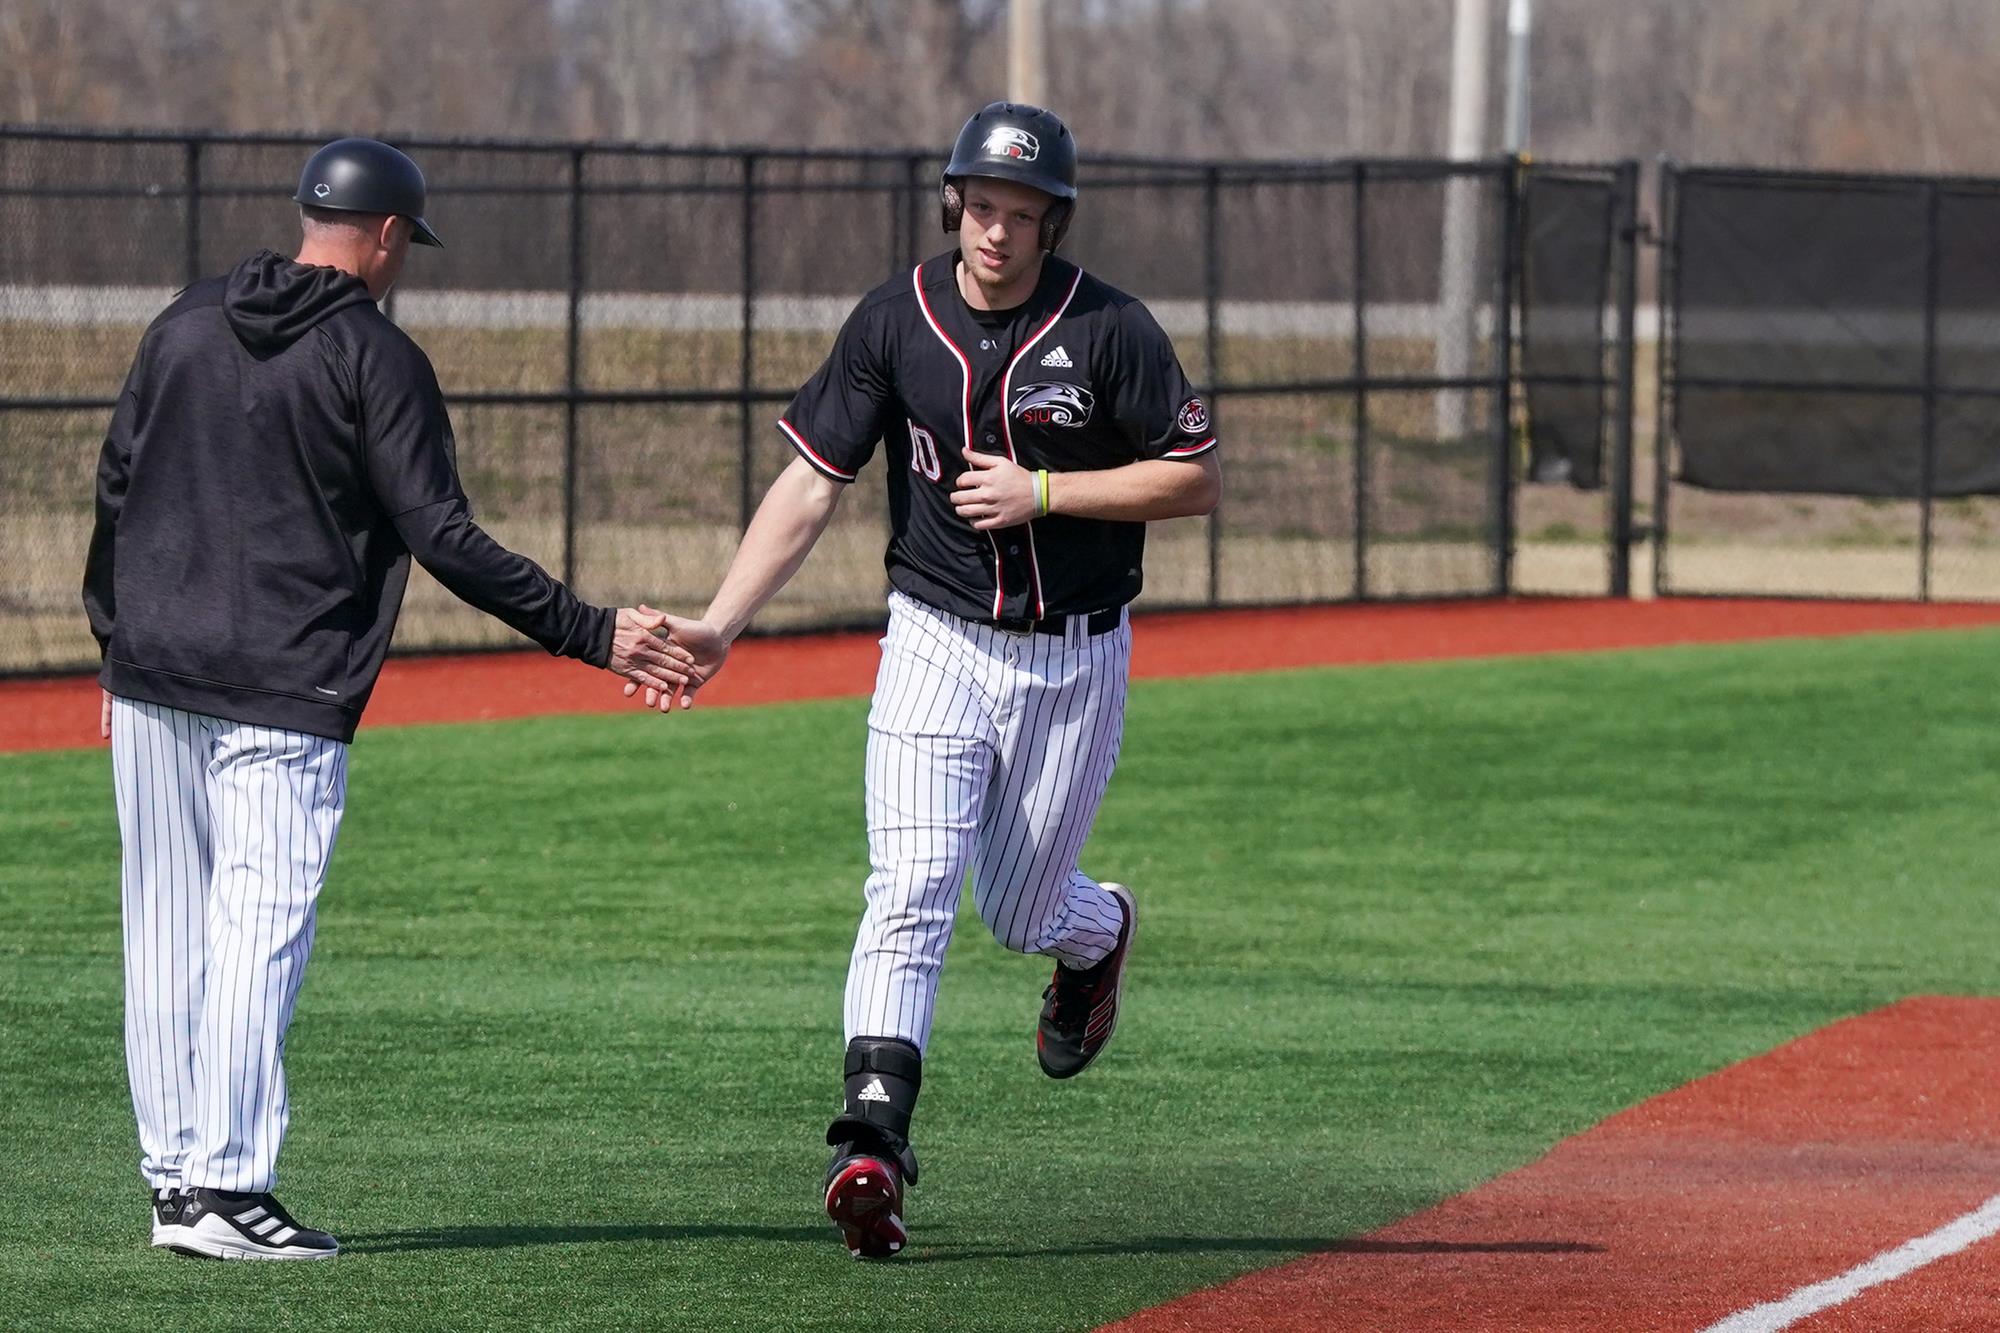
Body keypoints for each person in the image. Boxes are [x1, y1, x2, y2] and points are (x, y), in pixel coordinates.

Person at [83, 137, 695, 1261]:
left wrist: (112, 642)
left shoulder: (182, 320)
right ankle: (225, 1187)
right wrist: (591, 630)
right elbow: (443, 537)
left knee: (163, 934)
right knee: (257, 932)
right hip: (284, 682)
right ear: (387, 234)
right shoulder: (375, 356)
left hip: (152, 675)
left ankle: (176, 1183)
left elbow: (116, 486)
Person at [638, 102, 1221, 1259]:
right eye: (979, 206)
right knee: (907, 885)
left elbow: (1191, 478)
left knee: (1015, 912)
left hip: (1072, 654)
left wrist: (1047, 495)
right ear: (953, 202)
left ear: (1050, 220)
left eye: (1020, 212)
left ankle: (1094, 934)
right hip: (934, 640)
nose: (995, 232)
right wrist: (718, 621)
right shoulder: (892, 320)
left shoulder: (1110, 328)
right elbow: (809, 485)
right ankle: (870, 1140)